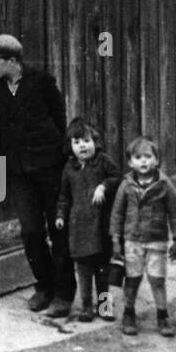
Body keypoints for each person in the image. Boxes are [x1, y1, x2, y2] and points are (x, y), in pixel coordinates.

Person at [0, 34, 73, 317]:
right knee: (30, 232)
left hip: (50, 169)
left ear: (12, 61)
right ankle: (44, 286)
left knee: (60, 231)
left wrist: (58, 159)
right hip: (18, 172)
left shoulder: (42, 82)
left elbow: (59, 121)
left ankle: (65, 294)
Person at [110, 137, 176, 338]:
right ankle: (128, 313)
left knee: (157, 279)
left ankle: (162, 315)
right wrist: (116, 239)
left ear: (156, 160)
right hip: (132, 241)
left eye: (148, 157)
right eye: (138, 157)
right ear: (130, 162)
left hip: (156, 240)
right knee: (132, 279)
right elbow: (117, 213)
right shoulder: (126, 185)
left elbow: (175, 211)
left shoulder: (164, 184)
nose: (143, 161)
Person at [55, 117, 120, 322]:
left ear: (95, 141)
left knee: (102, 271)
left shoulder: (103, 162)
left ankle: (104, 306)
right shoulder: (69, 169)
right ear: (70, 147)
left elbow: (118, 178)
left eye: (86, 140)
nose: (82, 146)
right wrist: (60, 216)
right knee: (83, 272)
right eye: (76, 142)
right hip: (78, 229)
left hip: (100, 227)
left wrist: (103, 186)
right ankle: (86, 307)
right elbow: (64, 197)